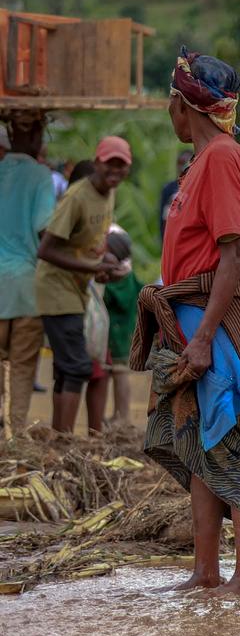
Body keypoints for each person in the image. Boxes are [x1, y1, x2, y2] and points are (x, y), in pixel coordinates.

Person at [133, 48, 240, 596]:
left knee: (231, 441)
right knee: (199, 446)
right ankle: (206, 570)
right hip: (191, 321)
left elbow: (232, 254)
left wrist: (204, 338)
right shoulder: (201, 163)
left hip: (214, 326)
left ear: (180, 105)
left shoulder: (219, 159)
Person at [35, 137, 130, 434]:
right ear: (97, 162)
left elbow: (89, 247)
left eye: (121, 165)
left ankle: (58, 440)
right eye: (109, 163)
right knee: (77, 367)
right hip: (56, 288)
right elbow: (46, 249)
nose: (114, 170)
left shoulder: (108, 193)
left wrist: (104, 271)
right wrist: (92, 268)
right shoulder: (78, 196)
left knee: (67, 368)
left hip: (79, 288)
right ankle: (64, 442)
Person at [0, 113, 56, 437]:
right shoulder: (39, 176)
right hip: (25, 287)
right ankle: (15, 439)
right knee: (21, 370)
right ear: (38, 134)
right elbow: (45, 229)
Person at [102, 228, 141, 427]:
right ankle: (118, 414)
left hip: (116, 336)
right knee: (119, 373)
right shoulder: (129, 275)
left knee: (119, 373)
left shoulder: (113, 280)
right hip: (126, 332)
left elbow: (109, 299)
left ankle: (123, 416)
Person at [158, 149, 194, 243]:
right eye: (181, 163)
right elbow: (163, 219)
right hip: (172, 238)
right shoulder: (169, 189)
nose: (183, 168)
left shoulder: (199, 187)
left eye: (187, 164)